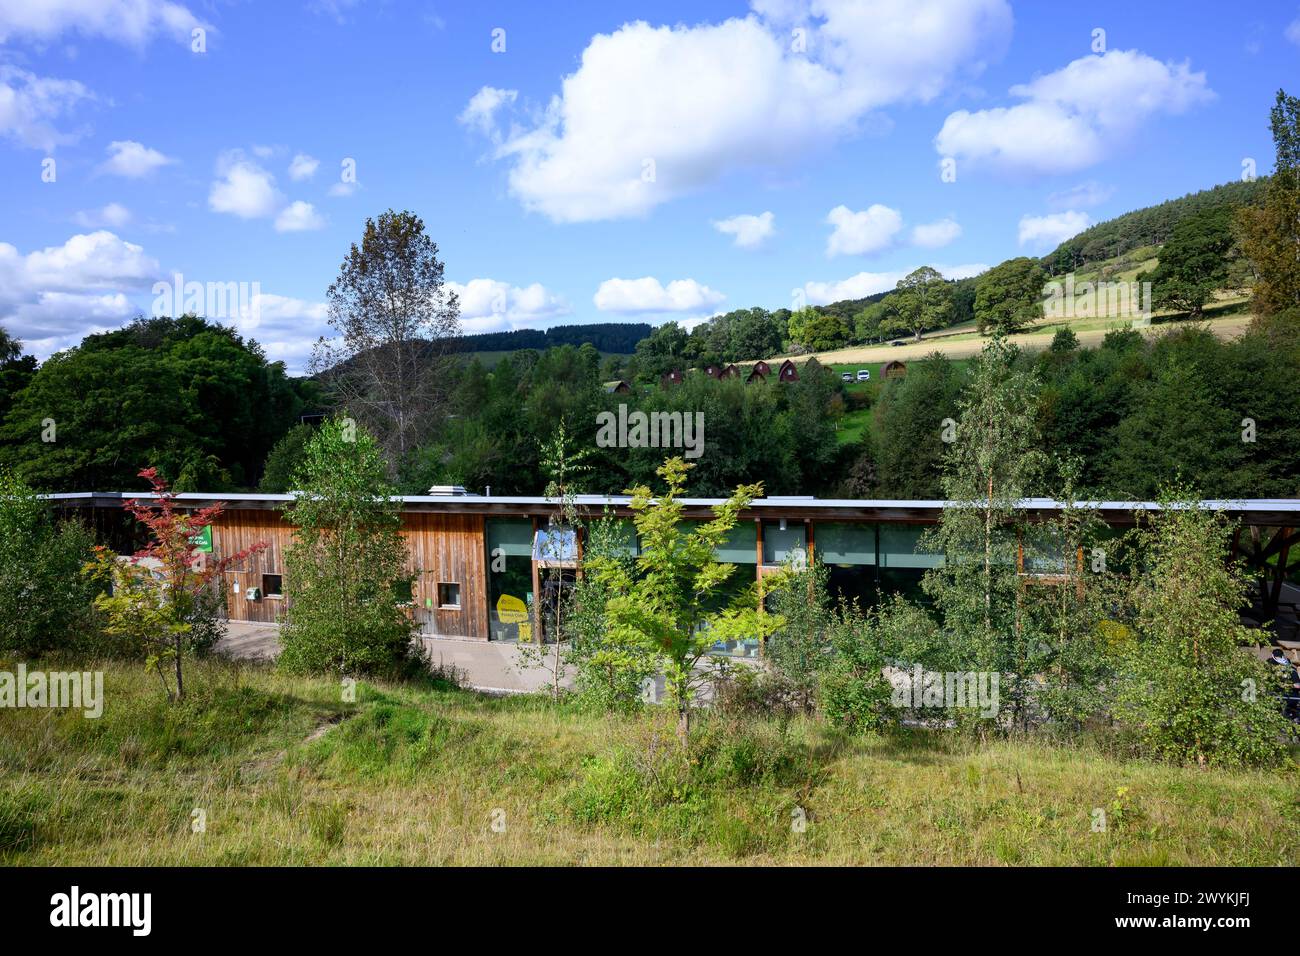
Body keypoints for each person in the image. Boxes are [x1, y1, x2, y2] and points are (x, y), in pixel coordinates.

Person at [1267, 648, 1300, 720]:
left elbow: (1297, 685)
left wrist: (1286, 685)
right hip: (1277, 697)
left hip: (1287, 697)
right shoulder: (1270, 671)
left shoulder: (1291, 670)